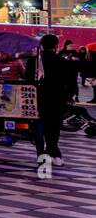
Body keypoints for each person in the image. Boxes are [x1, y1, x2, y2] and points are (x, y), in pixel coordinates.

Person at [37, 34, 68, 165]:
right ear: (56, 46)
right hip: (57, 100)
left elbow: (27, 78)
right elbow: (70, 83)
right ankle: (53, 152)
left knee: (39, 128)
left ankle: (44, 154)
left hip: (37, 99)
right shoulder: (62, 61)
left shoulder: (34, 61)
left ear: (41, 45)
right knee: (53, 128)